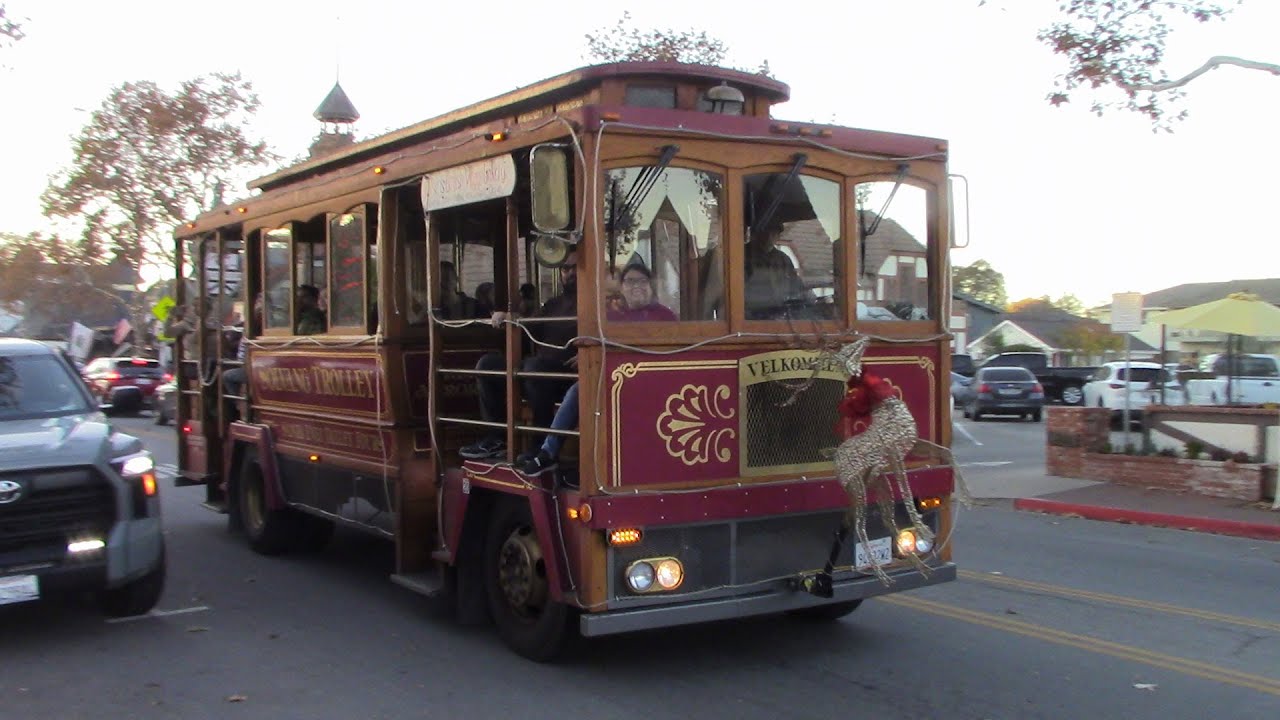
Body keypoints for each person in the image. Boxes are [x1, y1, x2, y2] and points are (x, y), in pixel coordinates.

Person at [517, 262, 675, 475]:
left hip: (657, 380)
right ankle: (548, 453)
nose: (636, 286)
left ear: (651, 286)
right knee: (580, 389)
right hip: (619, 379)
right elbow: (598, 344)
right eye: (630, 281)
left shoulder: (665, 316)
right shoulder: (611, 318)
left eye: (642, 281)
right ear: (622, 288)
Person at [460, 251, 579, 460]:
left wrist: (589, 353)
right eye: (565, 269)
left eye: (575, 268)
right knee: (487, 364)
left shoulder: (597, 303)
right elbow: (528, 327)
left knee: (534, 369)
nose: (570, 273)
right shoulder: (553, 304)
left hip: (571, 375)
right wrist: (508, 317)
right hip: (540, 370)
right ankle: (497, 437)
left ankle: (540, 444)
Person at [743, 222, 806, 319]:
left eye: (773, 233)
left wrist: (807, 296)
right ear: (755, 234)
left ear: (778, 236)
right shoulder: (741, 254)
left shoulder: (783, 259)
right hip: (749, 317)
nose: (768, 237)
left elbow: (796, 285)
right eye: (765, 232)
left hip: (778, 316)